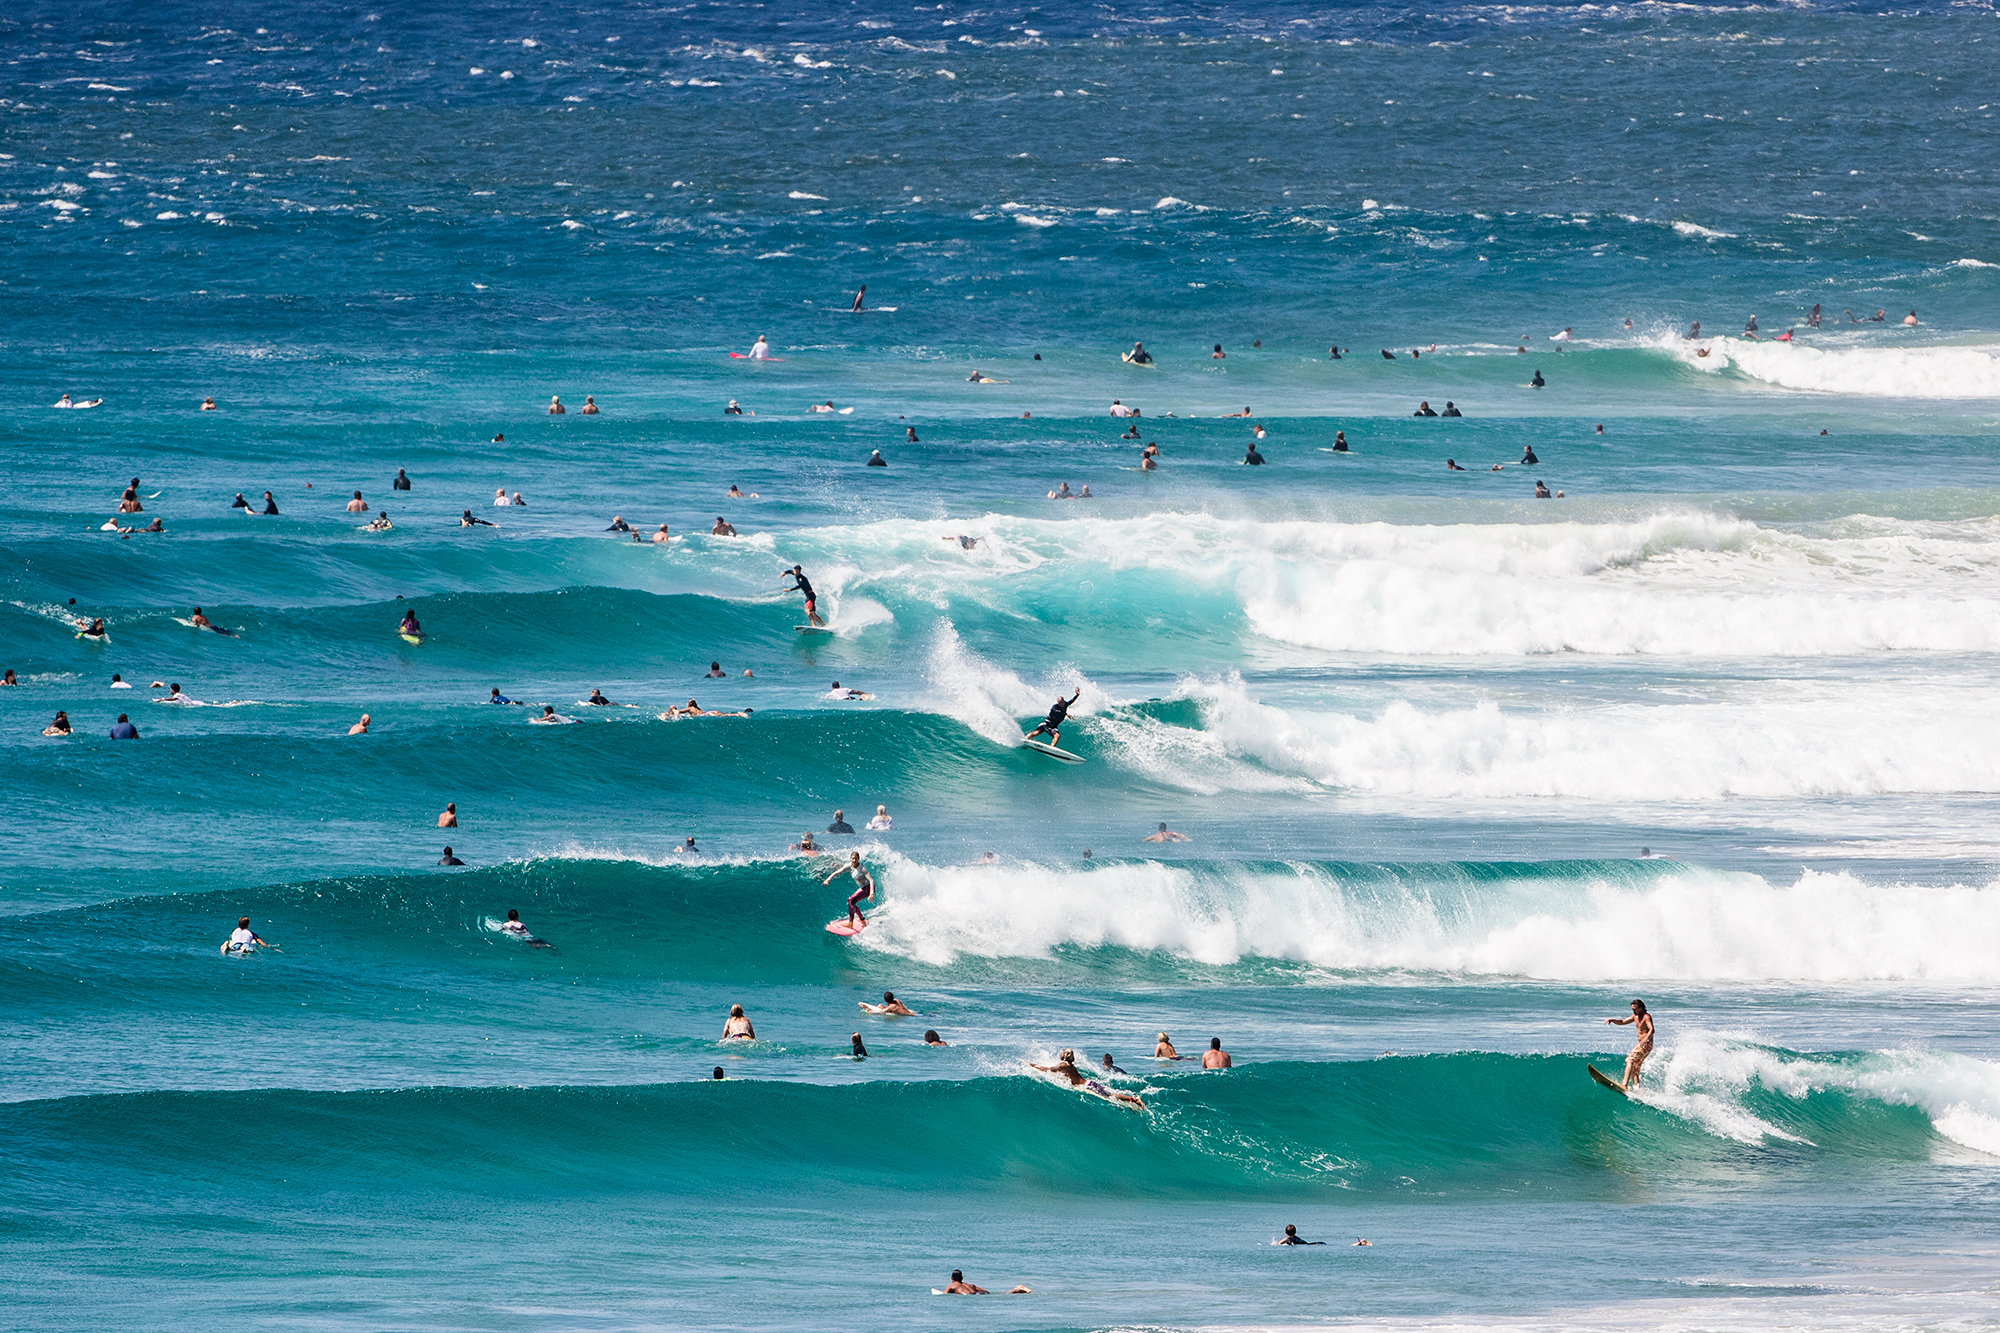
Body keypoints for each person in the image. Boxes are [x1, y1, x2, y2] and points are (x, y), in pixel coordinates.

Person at [1606, 998, 1655, 1090]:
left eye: (1635, 1009)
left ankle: (1624, 1084)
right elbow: (1623, 1022)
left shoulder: (1646, 1017)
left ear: (1641, 1008)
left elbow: (1652, 1029)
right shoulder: (1635, 1017)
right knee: (1635, 1067)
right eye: (1632, 1009)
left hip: (1646, 1044)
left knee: (1629, 1060)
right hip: (1643, 1044)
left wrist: (1646, 1039)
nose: (1633, 1011)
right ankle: (1637, 1089)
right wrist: (1613, 1020)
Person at [825, 851, 875, 927]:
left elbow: (871, 880)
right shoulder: (848, 866)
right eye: (852, 858)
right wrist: (828, 879)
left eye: (856, 859)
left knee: (850, 900)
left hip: (868, 887)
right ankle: (862, 920)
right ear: (850, 858)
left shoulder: (862, 868)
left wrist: (871, 894)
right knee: (851, 903)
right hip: (863, 888)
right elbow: (838, 872)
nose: (854, 860)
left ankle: (850, 923)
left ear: (858, 859)